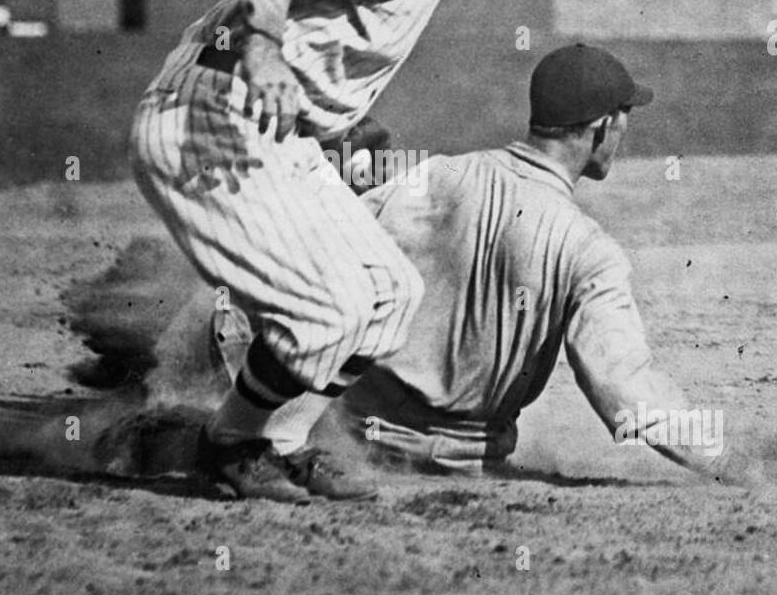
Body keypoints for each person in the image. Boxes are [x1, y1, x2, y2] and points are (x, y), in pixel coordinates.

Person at [129, 0, 543, 502]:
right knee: (334, 309)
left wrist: (338, 124)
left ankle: (269, 445)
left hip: (258, 128)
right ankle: (229, 445)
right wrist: (261, 46)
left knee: (389, 295)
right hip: (210, 121)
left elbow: (316, 42)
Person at [259, 44, 739, 484]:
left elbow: (316, 254)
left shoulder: (432, 174)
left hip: (347, 442)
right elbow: (626, 390)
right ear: (601, 127)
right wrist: (724, 461)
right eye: (625, 115)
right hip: (460, 466)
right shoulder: (588, 249)